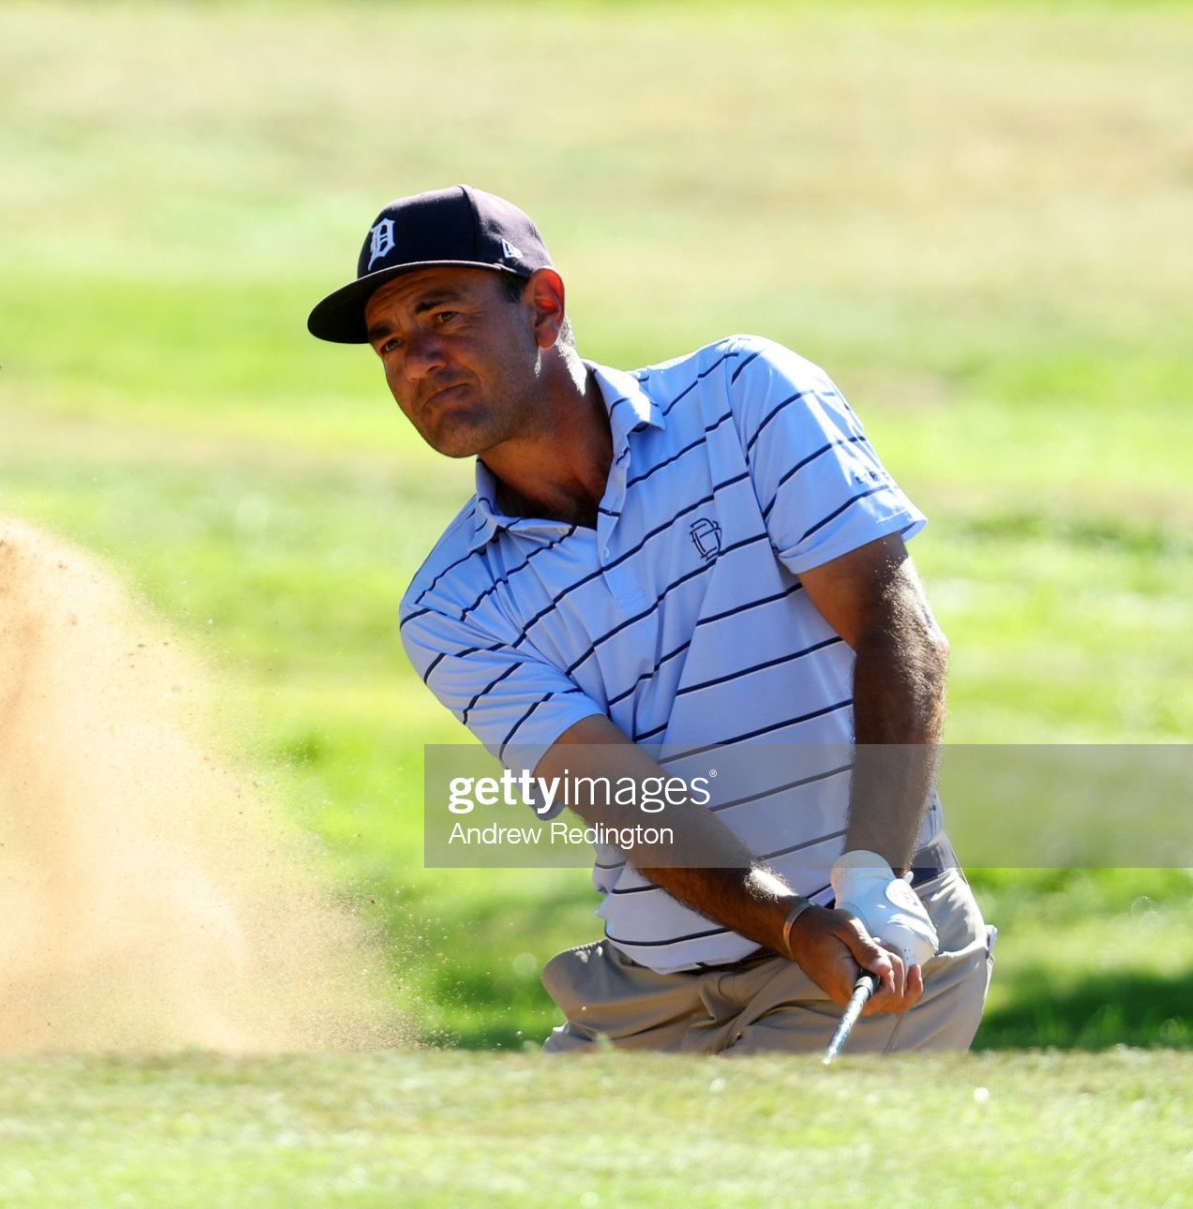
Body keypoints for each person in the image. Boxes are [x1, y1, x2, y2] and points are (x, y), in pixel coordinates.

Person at [306, 185, 995, 1055]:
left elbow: (894, 629)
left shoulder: (748, 398)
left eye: (444, 316)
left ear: (544, 307)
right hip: (645, 997)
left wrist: (868, 875)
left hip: (874, 953)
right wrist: (788, 925)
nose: (418, 361)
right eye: (391, 342)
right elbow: (626, 799)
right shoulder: (451, 605)